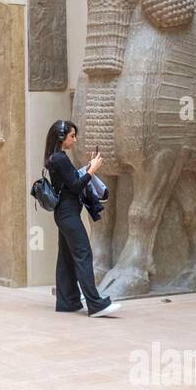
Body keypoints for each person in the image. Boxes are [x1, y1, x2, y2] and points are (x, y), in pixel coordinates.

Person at [45, 119, 121, 318]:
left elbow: (71, 181)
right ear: (62, 137)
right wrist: (92, 170)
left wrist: (86, 169)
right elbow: (77, 186)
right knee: (83, 255)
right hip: (68, 215)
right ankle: (95, 305)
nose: (75, 139)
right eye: (72, 135)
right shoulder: (59, 158)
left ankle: (67, 301)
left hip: (64, 214)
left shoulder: (56, 157)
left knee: (66, 258)